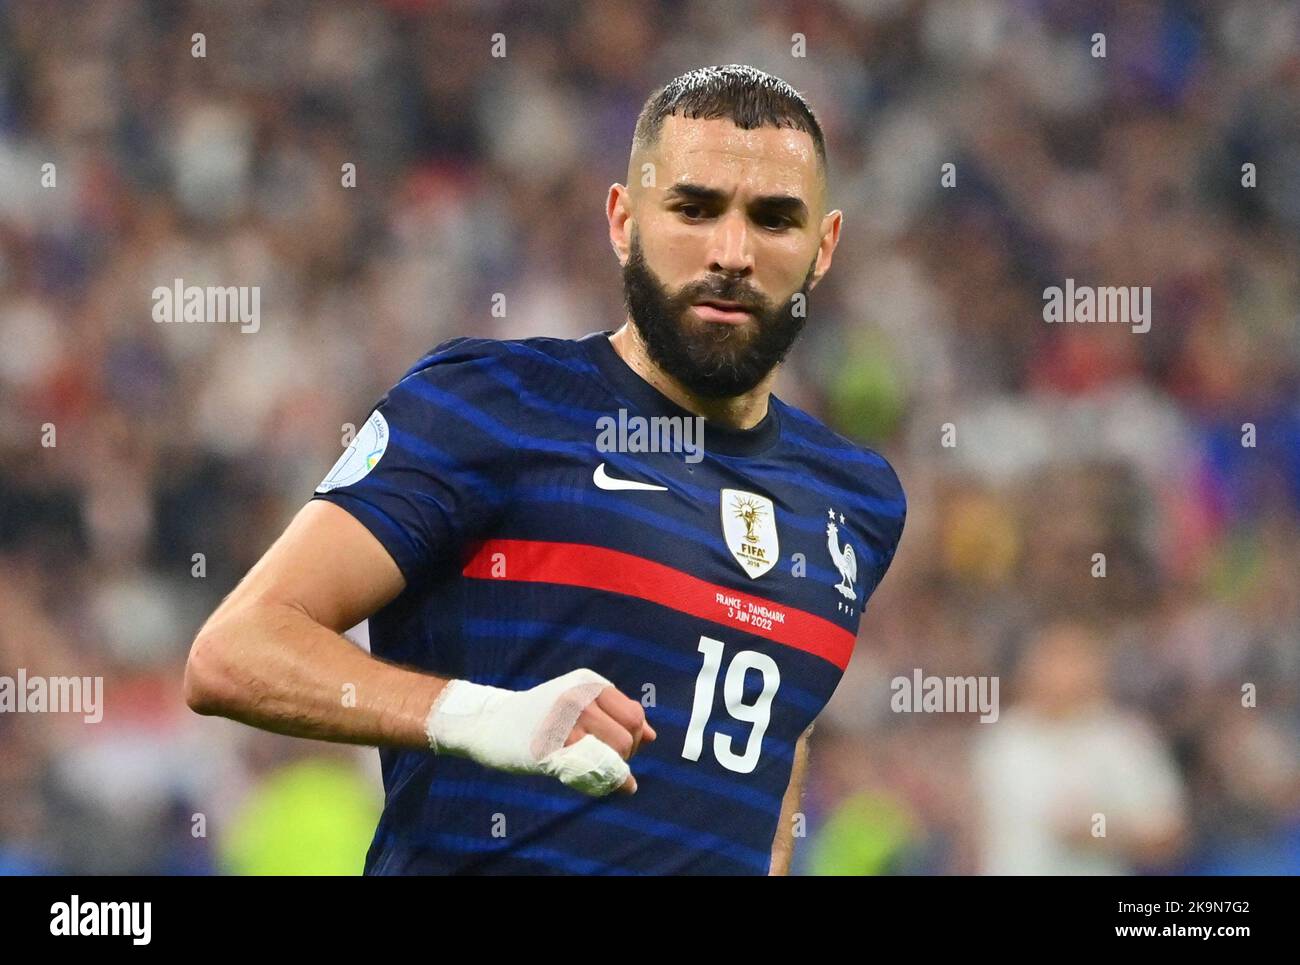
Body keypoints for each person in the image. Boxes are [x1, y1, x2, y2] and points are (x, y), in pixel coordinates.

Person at [184, 64, 907, 875]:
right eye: (694, 209)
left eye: (774, 220)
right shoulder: (490, 405)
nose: (731, 252)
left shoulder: (857, 500)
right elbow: (234, 651)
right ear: (623, 221)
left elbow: (775, 744)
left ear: (824, 248)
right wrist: (484, 717)